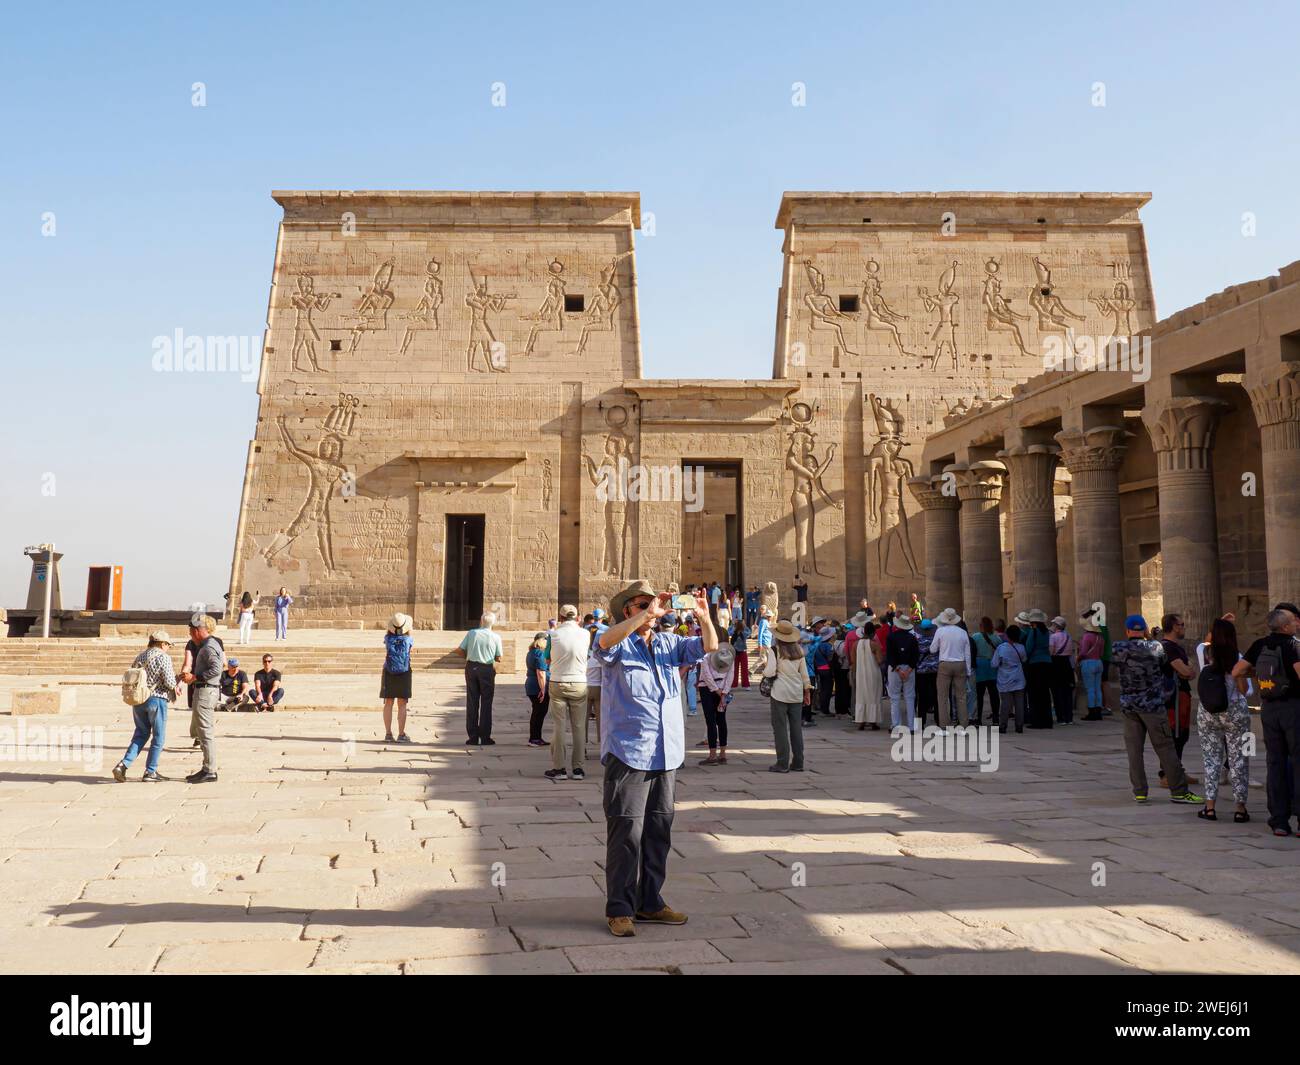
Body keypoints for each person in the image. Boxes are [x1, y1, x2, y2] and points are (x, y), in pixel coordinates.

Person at [593, 581, 717, 937]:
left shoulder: (668, 643)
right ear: (627, 611)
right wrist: (645, 616)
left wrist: (705, 616)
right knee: (626, 834)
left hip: (666, 752)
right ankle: (620, 908)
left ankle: (650, 902)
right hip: (629, 752)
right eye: (642, 604)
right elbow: (603, 644)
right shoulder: (617, 642)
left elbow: (709, 647)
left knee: (658, 833)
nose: (652, 609)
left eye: (654, 603)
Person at [1112, 615, 1202, 805]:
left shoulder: (1118, 648)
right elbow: (1163, 663)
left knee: (1134, 751)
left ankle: (1140, 792)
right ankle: (1179, 791)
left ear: (1127, 631)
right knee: (1166, 748)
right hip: (1152, 705)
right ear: (1144, 630)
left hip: (1129, 706)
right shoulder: (1155, 647)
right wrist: (1149, 637)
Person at [1233, 607, 1300, 835]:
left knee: (1275, 762)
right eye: (1293, 621)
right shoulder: (1293, 646)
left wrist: (1260, 676)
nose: (1296, 623)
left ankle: (1279, 821)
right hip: (1293, 708)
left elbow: (1237, 671)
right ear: (1285, 627)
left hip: (1269, 709)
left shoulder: (1259, 645)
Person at [1197, 617, 1251, 823]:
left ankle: (1210, 807)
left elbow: (1205, 641)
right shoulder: (1238, 657)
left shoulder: (1203, 653)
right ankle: (1240, 808)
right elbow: (1245, 691)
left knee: (1211, 758)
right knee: (1240, 758)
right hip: (1235, 711)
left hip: (1208, 711)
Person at [112, 630, 179, 782]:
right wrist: (176, 685)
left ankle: (123, 765)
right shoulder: (163, 657)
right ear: (162, 644)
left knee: (141, 734)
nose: (168, 648)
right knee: (158, 736)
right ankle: (150, 771)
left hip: (139, 700)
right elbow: (169, 682)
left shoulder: (140, 656)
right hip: (157, 699)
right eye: (168, 645)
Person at [546, 604, 590, 781]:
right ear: (577, 617)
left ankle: (559, 768)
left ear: (561, 617)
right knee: (579, 727)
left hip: (558, 681)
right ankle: (578, 768)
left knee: (559, 727)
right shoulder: (586, 634)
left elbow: (547, 658)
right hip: (579, 682)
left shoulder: (553, 634)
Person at [179, 613, 224, 783]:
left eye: (191, 631)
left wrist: (195, 677)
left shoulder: (209, 646)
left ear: (198, 630)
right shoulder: (207, 645)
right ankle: (206, 767)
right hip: (205, 690)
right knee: (204, 731)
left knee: (205, 732)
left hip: (206, 691)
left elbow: (216, 669)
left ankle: (210, 770)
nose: (190, 635)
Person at [763, 620, 812, 771]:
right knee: (796, 728)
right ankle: (798, 762)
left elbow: (770, 672)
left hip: (779, 693)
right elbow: (804, 674)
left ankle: (782, 762)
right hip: (796, 693)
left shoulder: (775, 650)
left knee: (780, 728)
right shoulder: (799, 651)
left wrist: (765, 670)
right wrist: (807, 691)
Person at [1158, 613, 1195, 786]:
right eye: (1182, 624)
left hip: (1182, 694)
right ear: (1174, 627)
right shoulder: (1168, 647)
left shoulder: (1175, 647)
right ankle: (1167, 774)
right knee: (1175, 735)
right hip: (1175, 697)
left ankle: (1177, 770)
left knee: (1182, 735)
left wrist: (1188, 671)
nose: (1184, 627)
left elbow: (1190, 673)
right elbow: (1187, 671)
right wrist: (1187, 670)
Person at [457, 611, 503, 746]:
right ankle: (485, 737)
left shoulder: (472, 633)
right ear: (493, 623)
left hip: (472, 667)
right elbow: (499, 657)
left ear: (481, 621)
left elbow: (459, 650)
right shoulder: (495, 637)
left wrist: (469, 656)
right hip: (486, 669)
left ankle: (472, 737)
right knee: (486, 703)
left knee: (472, 702)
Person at [930, 608, 970, 730]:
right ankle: (963, 725)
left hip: (945, 663)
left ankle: (944, 726)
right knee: (961, 697)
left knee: (943, 697)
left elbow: (932, 649)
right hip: (960, 664)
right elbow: (967, 653)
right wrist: (968, 670)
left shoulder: (940, 631)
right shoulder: (962, 632)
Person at [696, 643, 735, 765]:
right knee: (721, 720)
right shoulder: (729, 655)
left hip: (707, 689)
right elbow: (731, 674)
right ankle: (722, 754)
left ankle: (712, 755)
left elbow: (706, 675)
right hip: (723, 689)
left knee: (711, 721)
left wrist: (717, 690)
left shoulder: (706, 655)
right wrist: (724, 692)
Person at [381, 613, 414, 743]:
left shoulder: (387, 639)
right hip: (404, 672)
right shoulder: (409, 640)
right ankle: (401, 734)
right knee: (402, 704)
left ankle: (388, 734)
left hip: (389, 671)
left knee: (388, 703)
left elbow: (387, 639)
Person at [991, 624, 1028, 733]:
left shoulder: (1001, 648)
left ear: (1007, 635)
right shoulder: (1021, 647)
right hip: (1018, 677)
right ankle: (1019, 726)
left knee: (1005, 703)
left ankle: (1003, 725)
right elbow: (1024, 659)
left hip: (1005, 679)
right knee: (1019, 703)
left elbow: (994, 664)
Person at [885, 613, 919, 730]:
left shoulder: (891, 637)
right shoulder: (912, 638)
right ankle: (911, 726)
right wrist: (908, 670)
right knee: (910, 697)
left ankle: (896, 725)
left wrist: (898, 669)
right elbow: (916, 656)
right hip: (909, 669)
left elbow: (889, 656)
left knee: (894, 698)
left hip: (895, 669)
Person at [1023, 610, 1054, 728]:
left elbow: (1028, 647)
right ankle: (1047, 720)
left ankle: (1037, 721)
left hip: (1035, 664)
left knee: (1034, 694)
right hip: (1047, 663)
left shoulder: (1034, 631)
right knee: (1045, 693)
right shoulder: (1046, 632)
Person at [852, 619, 884, 730]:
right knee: (873, 696)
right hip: (873, 673)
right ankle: (873, 721)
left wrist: (854, 674)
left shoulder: (855, 644)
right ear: (873, 632)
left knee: (861, 696)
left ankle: (861, 721)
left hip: (860, 673)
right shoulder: (874, 645)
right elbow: (879, 661)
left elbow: (853, 661)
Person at [971, 616, 1002, 726]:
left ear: (981, 626)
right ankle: (995, 718)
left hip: (979, 666)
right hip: (992, 666)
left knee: (979, 695)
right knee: (993, 694)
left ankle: (978, 718)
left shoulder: (975, 637)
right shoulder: (996, 638)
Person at [1078, 605, 1106, 721]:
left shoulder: (1086, 636)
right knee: (1097, 688)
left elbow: (1083, 652)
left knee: (1090, 689)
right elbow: (1101, 652)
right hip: (1098, 662)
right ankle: (1098, 712)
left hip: (1088, 663)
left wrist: (1078, 658)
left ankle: (1091, 712)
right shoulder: (1100, 638)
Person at [1048, 616, 1076, 725]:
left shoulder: (1053, 637)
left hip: (1056, 663)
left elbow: (1051, 652)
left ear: (1056, 626)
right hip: (1067, 663)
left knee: (1057, 691)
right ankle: (1069, 717)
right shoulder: (1069, 636)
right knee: (1067, 691)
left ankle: (1061, 717)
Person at [525, 632, 550, 748]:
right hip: (537, 686)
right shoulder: (540, 653)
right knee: (539, 712)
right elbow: (541, 673)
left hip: (531, 684)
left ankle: (536, 737)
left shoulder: (531, 652)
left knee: (537, 712)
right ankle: (535, 738)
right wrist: (543, 689)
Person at [915, 619, 940, 728]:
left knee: (922, 697)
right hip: (935, 670)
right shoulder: (936, 640)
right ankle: (938, 720)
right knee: (936, 696)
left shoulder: (917, 641)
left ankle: (921, 722)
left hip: (921, 671)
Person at [729, 616, 751, 689]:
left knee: (744, 669)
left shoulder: (743, 632)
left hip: (742, 651)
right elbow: (729, 632)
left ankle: (746, 685)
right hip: (735, 652)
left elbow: (749, 633)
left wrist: (744, 626)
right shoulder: (734, 631)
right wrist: (732, 624)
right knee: (734, 669)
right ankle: (733, 684)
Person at [755, 606, 773, 673]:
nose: (771, 617)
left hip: (768, 642)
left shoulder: (768, 622)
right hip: (764, 642)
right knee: (764, 659)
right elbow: (760, 633)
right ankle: (751, 670)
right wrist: (760, 643)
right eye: (770, 616)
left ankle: (768, 671)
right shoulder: (763, 622)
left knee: (765, 659)